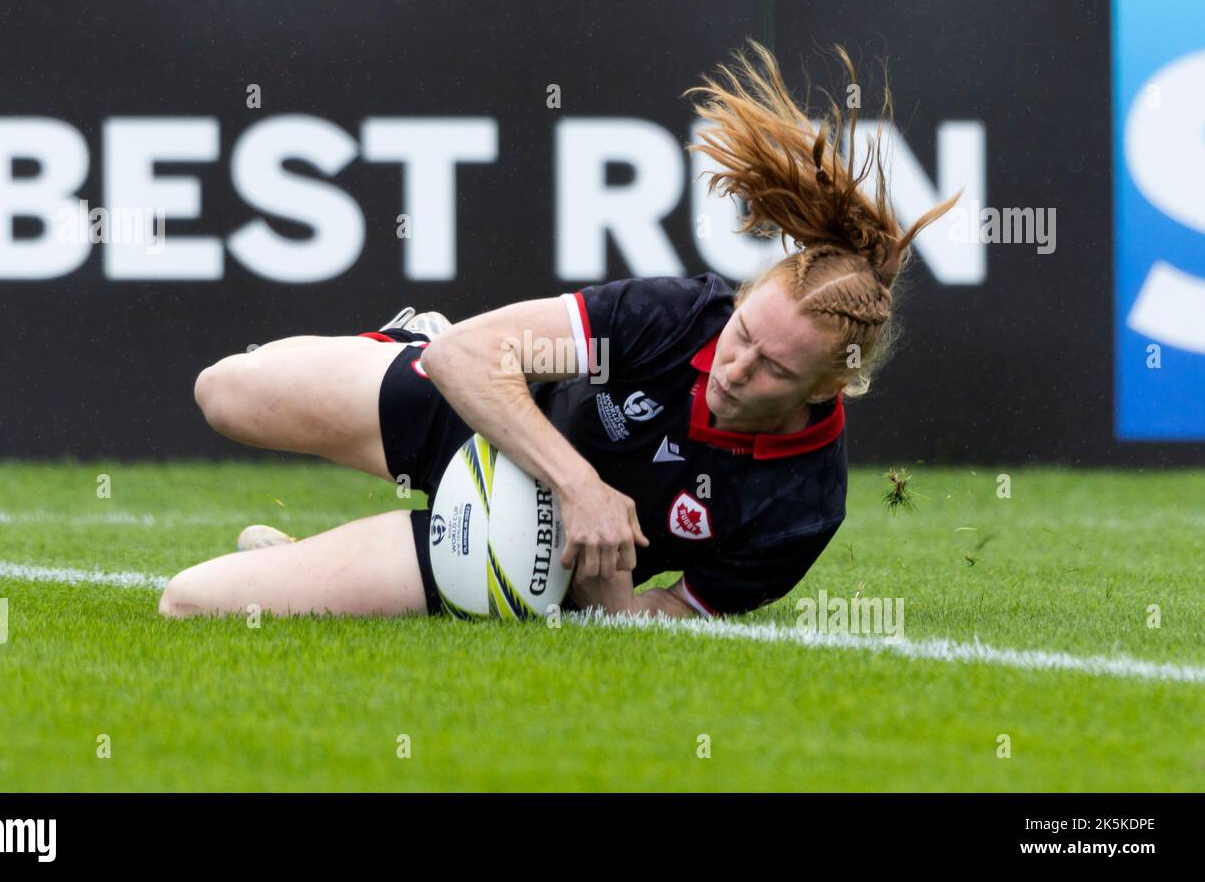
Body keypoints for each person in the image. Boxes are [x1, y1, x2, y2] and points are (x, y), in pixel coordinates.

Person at [158, 42, 958, 621]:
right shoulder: (679, 316)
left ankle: (300, 571)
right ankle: (394, 353)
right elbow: (465, 356)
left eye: (774, 370)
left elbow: (656, 625)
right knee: (223, 391)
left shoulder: (802, 508)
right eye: (744, 332)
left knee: (188, 603)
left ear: (832, 385)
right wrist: (582, 486)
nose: (736, 367)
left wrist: (601, 575)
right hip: (477, 411)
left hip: (523, 550)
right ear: (742, 296)